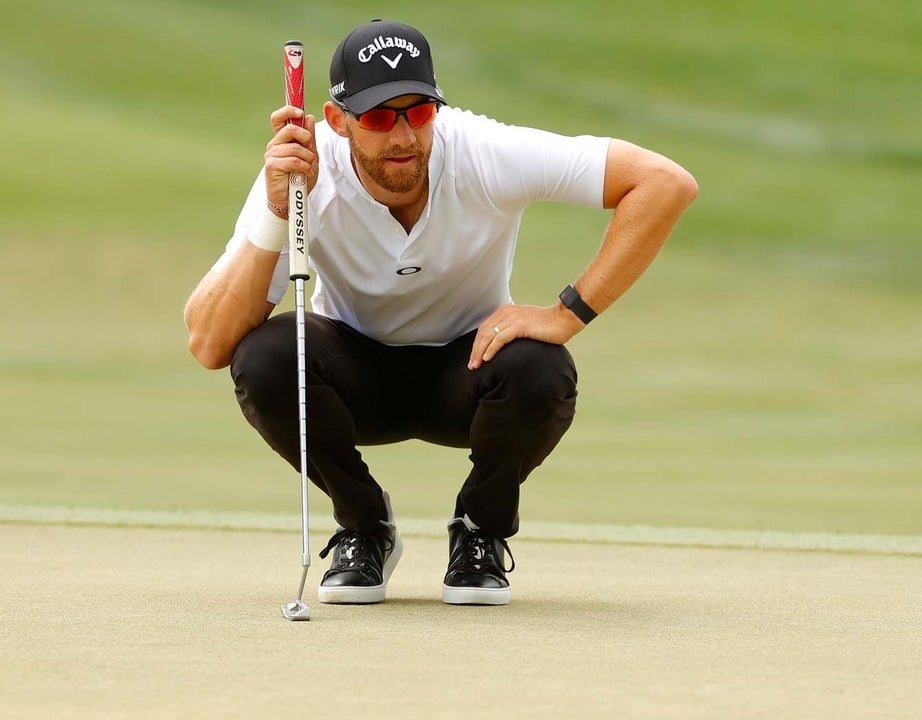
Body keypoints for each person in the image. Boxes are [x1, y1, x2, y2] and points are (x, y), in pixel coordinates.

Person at [183, 19, 697, 606]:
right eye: (379, 118)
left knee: (540, 364)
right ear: (337, 120)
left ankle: (479, 532)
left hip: (469, 375)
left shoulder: (482, 151)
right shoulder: (301, 171)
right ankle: (364, 526)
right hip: (353, 379)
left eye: (418, 112)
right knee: (267, 354)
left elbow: (664, 183)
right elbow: (209, 343)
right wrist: (279, 210)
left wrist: (567, 313)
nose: (403, 137)